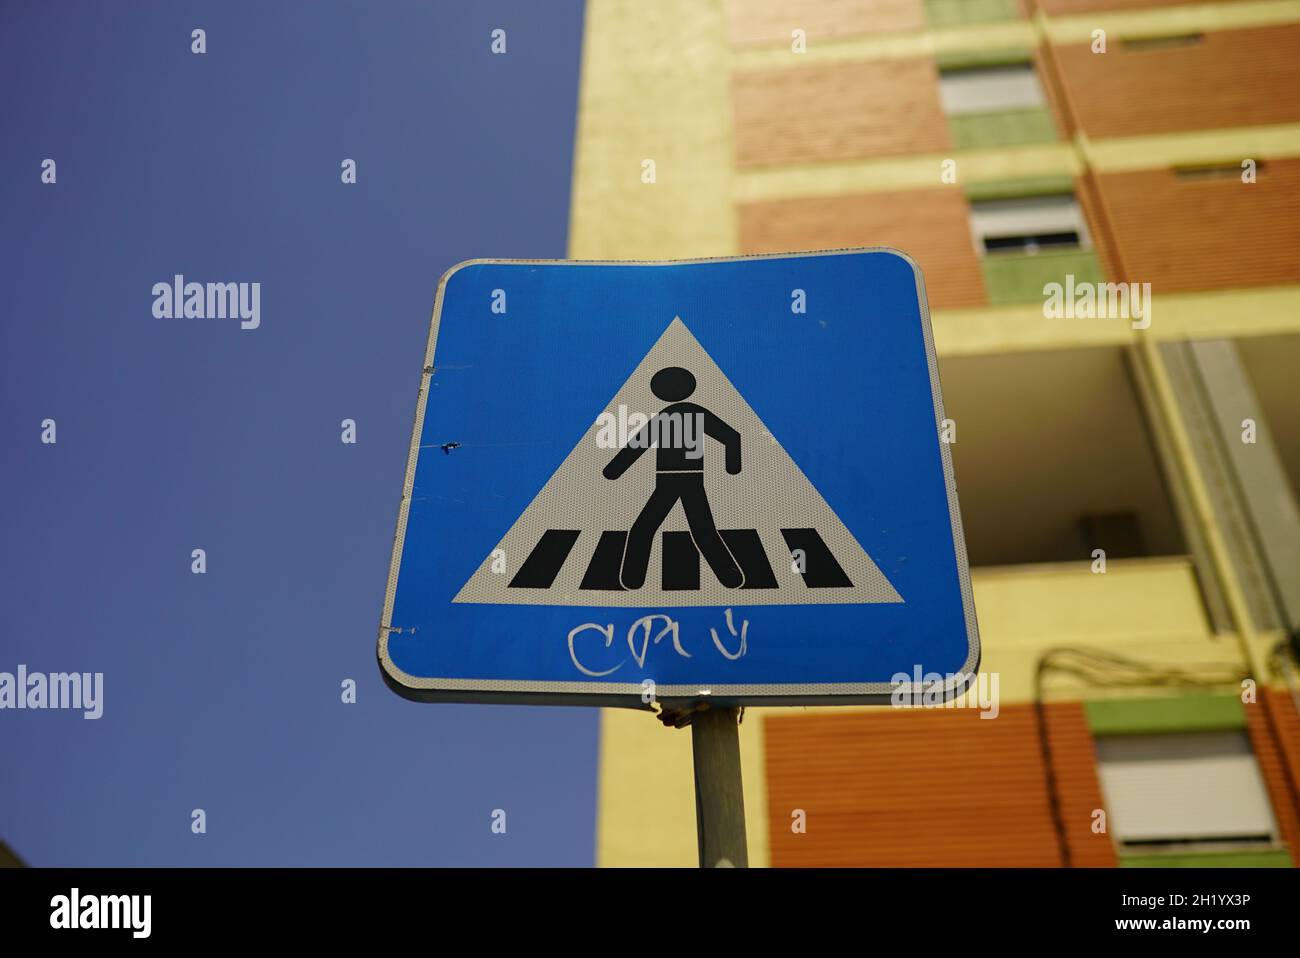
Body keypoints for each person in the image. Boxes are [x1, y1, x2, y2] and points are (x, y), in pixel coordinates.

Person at [602, 366, 744, 589]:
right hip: (688, 480)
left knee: (643, 529)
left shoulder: (666, 416)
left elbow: (637, 445)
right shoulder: (695, 413)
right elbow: (732, 437)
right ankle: (730, 577)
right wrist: (732, 467)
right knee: (702, 531)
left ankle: (633, 577)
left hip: (670, 481)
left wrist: (613, 471)